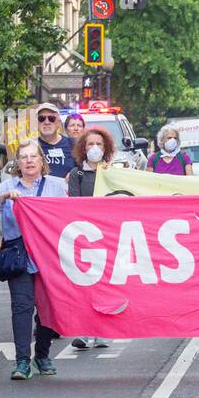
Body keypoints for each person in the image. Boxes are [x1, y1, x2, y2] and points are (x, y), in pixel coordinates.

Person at [0, 141, 69, 380]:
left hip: (48, 256)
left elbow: (70, 217)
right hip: (19, 255)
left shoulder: (57, 186)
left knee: (47, 307)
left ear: (42, 161)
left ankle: (42, 354)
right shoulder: (7, 186)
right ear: (17, 163)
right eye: (24, 157)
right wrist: (3, 199)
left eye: (33, 157)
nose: (29, 161)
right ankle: (21, 361)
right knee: (22, 306)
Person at [67, 127, 113, 350]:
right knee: (85, 287)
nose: (95, 148)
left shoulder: (114, 173)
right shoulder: (76, 175)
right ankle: (85, 331)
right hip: (85, 237)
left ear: (106, 149)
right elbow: (75, 205)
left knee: (104, 285)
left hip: (109, 237)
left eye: (99, 145)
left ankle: (102, 332)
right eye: (90, 145)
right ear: (83, 149)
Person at [30, 102, 75, 179]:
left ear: (59, 123)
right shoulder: (30, 146)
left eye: (51, 118)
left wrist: (74, 173)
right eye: (41, 118)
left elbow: (85, 170)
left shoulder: (73, 144)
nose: (47, 122)